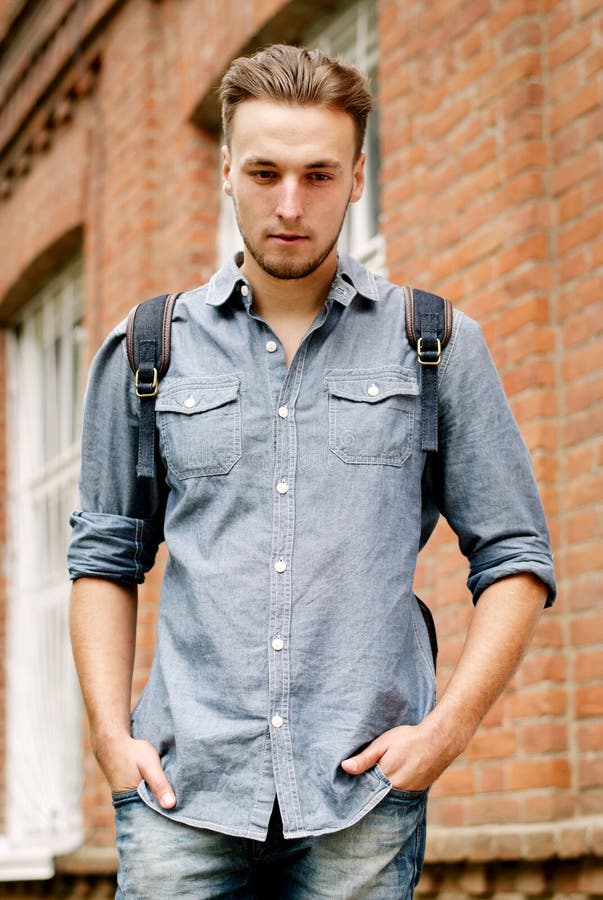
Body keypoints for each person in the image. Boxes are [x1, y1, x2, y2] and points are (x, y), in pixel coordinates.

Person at [68, 44, 556, 899]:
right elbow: (104, 558)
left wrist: (444, 732)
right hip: (181, 792)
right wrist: (112, 738)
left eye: (318, 175)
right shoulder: (148, 348)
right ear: (225, 171)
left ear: (359, 177)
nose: (289, 204)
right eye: (263, 172)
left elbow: (514, 556)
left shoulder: (434, 344)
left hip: (359, 801)